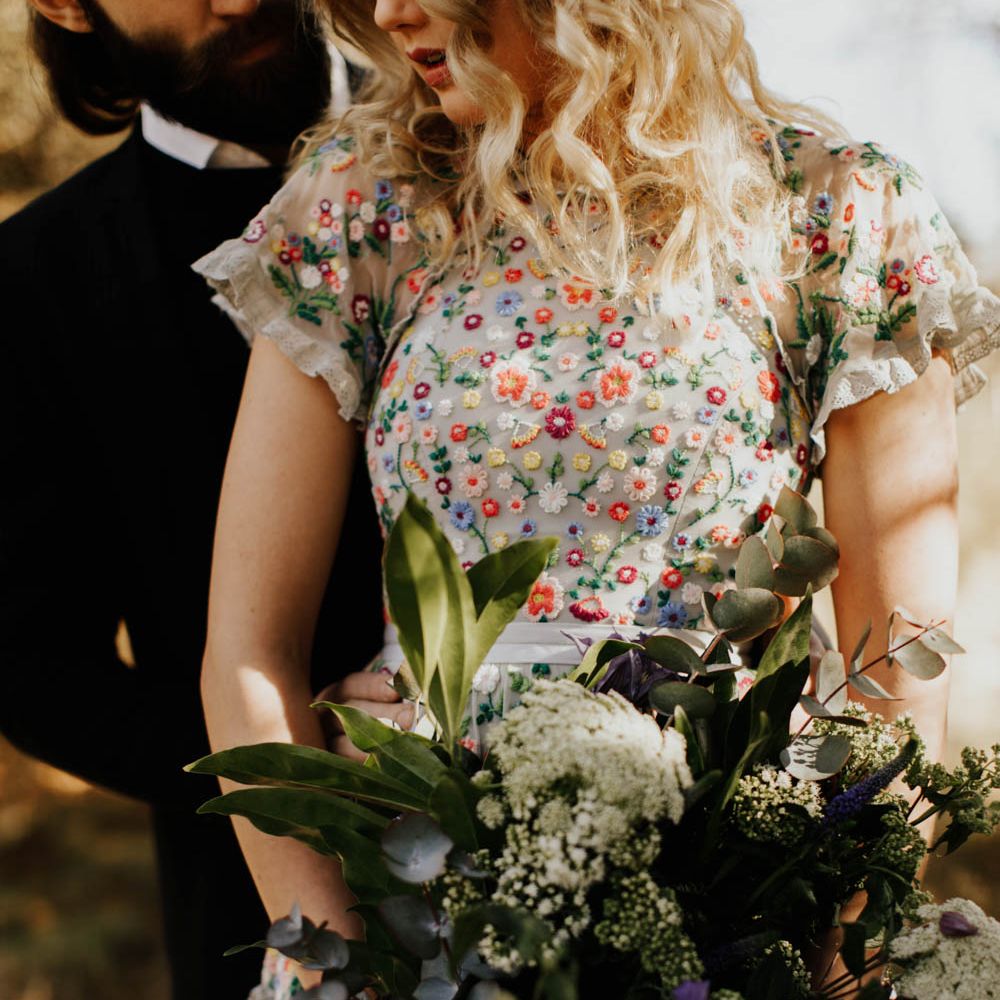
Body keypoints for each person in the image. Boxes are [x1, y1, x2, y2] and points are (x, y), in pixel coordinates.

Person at [196, 0, 1000, 995]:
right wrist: (330, 948)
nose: (391, 11)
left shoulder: (835, 207)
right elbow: (245, 650)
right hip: (419, 899)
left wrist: (845, 946)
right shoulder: (361, 208)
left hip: (733, 896)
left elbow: (901, 661)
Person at [0, 2, 398, 997]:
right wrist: (300, 757)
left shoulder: (500, 155)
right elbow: (31, 667)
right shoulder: (31, 281)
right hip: (264, 923)